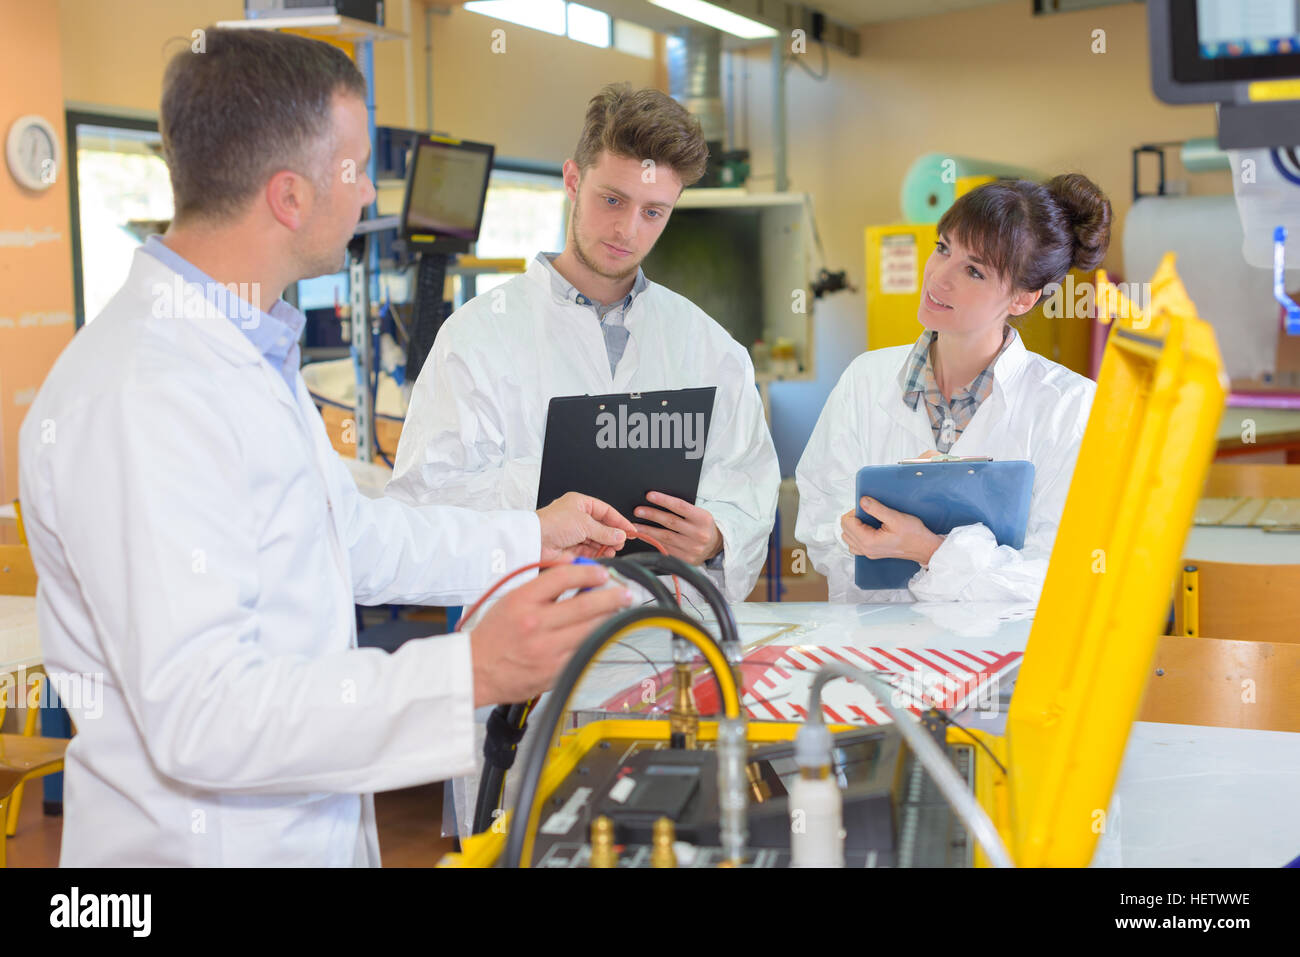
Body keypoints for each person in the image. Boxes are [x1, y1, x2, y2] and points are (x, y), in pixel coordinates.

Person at [18, 28, 638, 867]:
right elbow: (202, 715)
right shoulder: (142, 392)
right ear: (289, 196)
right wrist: (469, 674)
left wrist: (530, 536)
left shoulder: (247, 350)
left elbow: (348, 534)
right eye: (354, 170)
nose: (370, 197)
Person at [387, 83, 780, 605]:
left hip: (669, 636)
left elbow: (748, 485)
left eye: (653, 212)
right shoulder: (477, 335)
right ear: (573, 179)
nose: (627, 230)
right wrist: (542, 495)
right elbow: (422, 507)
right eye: (612, 200)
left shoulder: (708, 346)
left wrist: (716, 537)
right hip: (530, 645)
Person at [795, 173, 1111, 604]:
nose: (939, 278)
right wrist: (850, 531)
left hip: (1001, 663)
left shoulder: (1070, 408)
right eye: (943, 248)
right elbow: (819, 519)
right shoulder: (864, 379)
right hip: (873, 655)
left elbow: (1057, 577)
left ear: (1023, 299)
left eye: (974, 271)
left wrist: (928, 549)